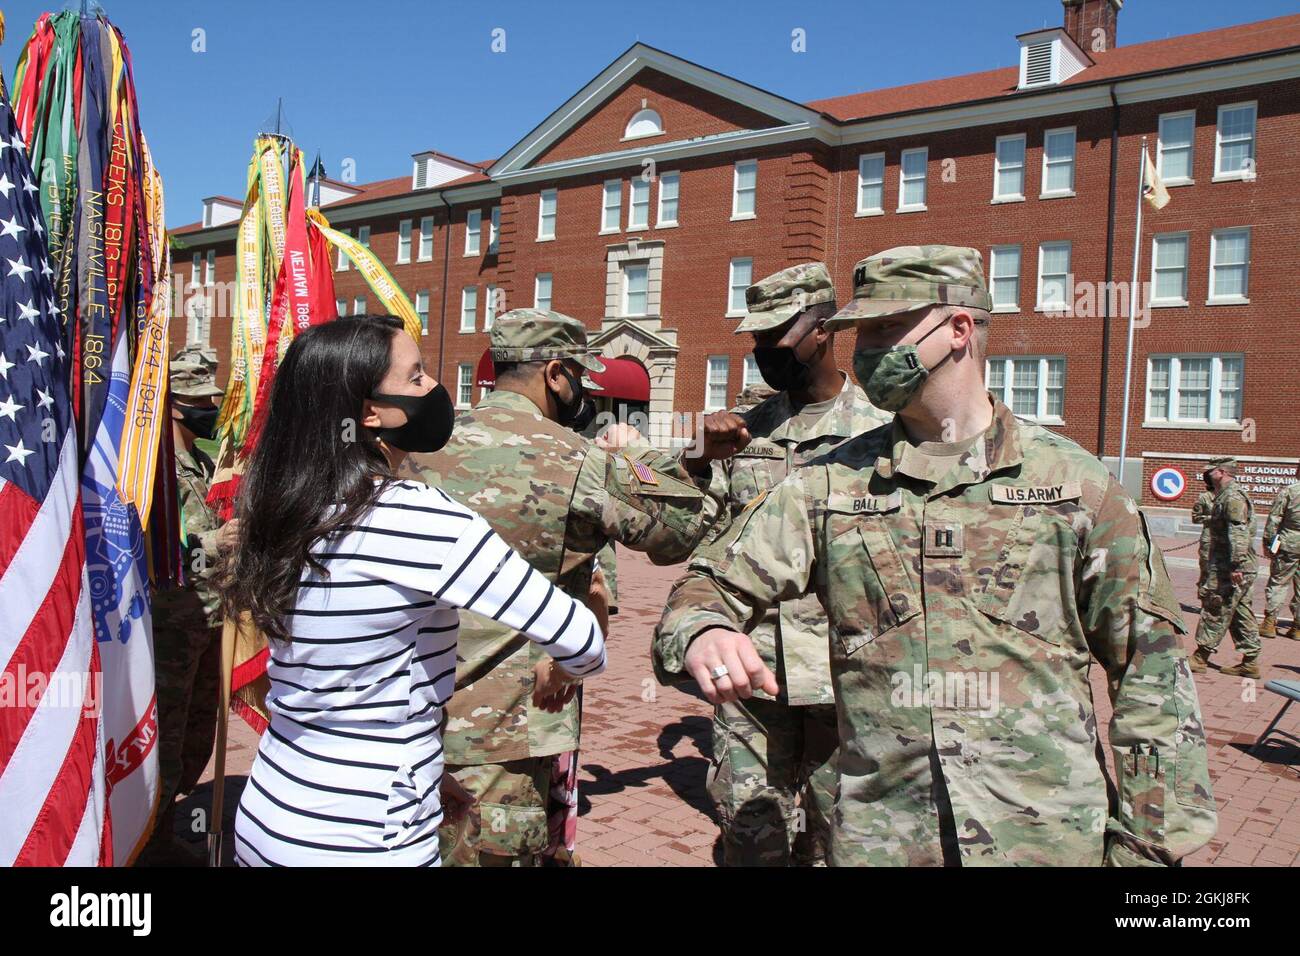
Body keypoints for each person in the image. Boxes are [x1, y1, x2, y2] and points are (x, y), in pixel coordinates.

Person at [654, 245, 1217, 867]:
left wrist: (1148, 848)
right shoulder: (831, 484)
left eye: (887, 328)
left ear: (958, 329)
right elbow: (706, 583)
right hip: (881, 841)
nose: (866, 350)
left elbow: (1152, 676)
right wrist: (704, 627)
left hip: (1042, 838)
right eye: (859, 331)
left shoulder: (1076, 486)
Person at [219, 315, 606, 866]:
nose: (435, 389)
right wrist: (571, 655)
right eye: (417, 375)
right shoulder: (420, 519)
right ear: (371, 411)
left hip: (272, 811)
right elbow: (582, 639)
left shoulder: (280, 504)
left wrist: (429, 770)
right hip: (368, 837)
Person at [405, 308, 749, 867]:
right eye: (580, 380)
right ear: (556, 374)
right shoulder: (574, 458)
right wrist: (698, 459)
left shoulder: (415, 448)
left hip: (409, 711)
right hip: (513, 726)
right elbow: (671, 535)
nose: (583, 394)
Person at [687, 262, 888, 867]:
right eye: (754, 338)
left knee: (843, 836)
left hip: (844, 672)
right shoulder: (745, 428)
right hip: (753, 669)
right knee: (750, 837)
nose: (762, 350)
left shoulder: (883, 429)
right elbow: (686, 536)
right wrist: (698, 458)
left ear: (822, 329)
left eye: (775, 333)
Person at [137, 358, 239, 866]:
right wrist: (212, 543)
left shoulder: (200, 463)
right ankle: (149, 846)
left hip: (209, 621)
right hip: (171, 626)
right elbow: (146, 547)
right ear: (172, 406)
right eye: (200, 402)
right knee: (166, 744)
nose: (211, 409)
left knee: (199, 734)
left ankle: (168, 826)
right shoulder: (151, 468)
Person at [1191, 457, 1262, 677]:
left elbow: (1238, 532)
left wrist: (1236, 565)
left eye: (1210, 471)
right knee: (1240, 612)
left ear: (1221, 472)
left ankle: (1200, 656)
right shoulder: (1225, 495)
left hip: (1231, 565)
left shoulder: (1232, 496)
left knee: (1217, 606)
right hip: (1234, 564)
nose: (1207, 474)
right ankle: (1250, 661)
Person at [1260, 478, 1300, 640]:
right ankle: (1297, 627)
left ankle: (1270, 622)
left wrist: (1269, 542)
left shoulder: (1290, 491)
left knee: (1278, 582)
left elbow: (1274, 518)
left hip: (1288, 543)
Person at [1191, 480, 1215, 592]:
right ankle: (1204, 601)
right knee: (1206, 569)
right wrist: (1213, 518)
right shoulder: (1204, 498)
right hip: (1209, 538)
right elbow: (1195, 518)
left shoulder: (1226, 497)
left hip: (1224, 539)